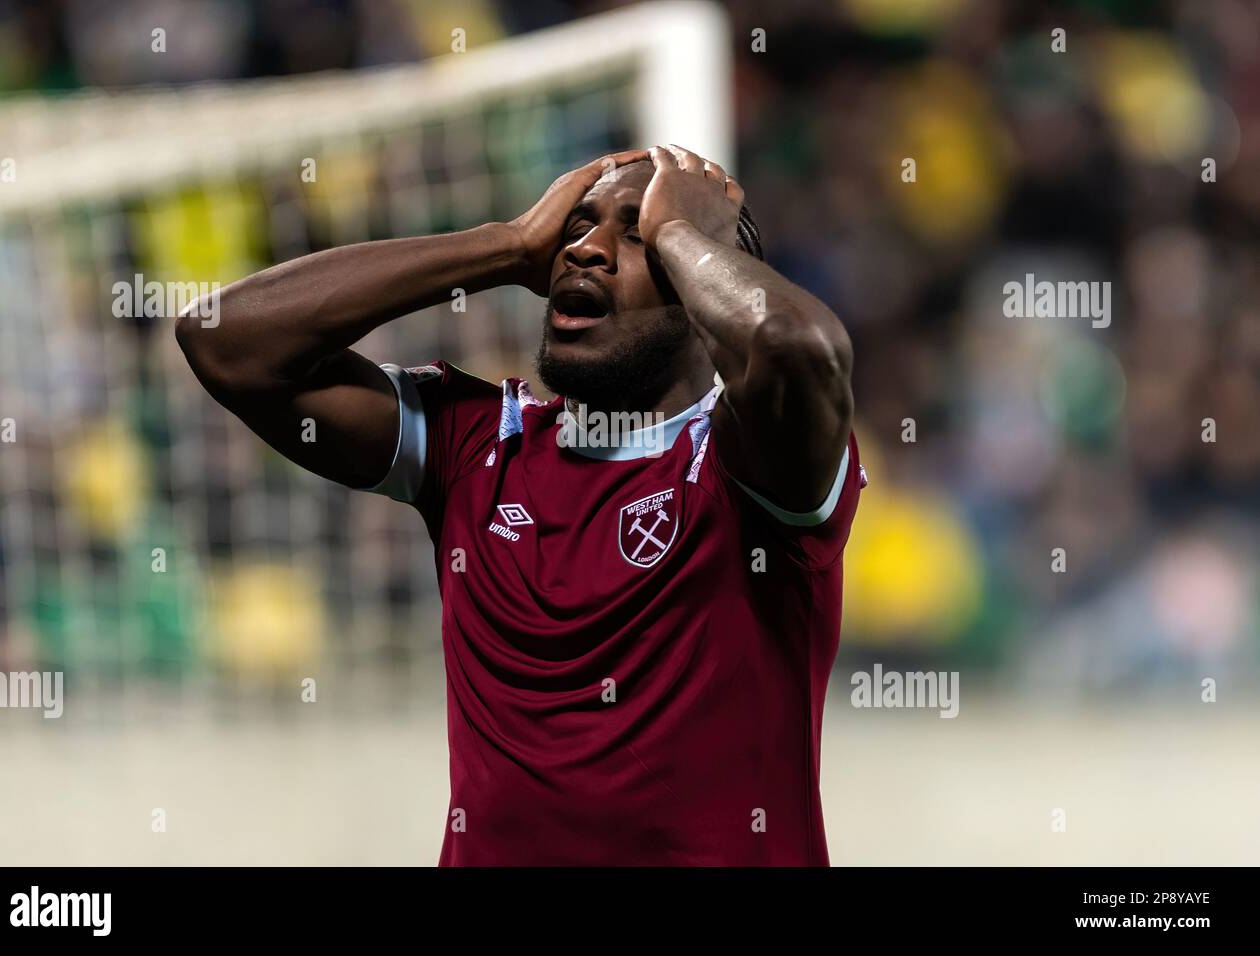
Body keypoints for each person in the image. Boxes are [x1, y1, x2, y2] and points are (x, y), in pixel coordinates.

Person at [176, 144, 862, 865]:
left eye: (636, 233)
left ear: (704, 292)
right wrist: (505, 245)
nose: (588, 250)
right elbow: (223, 340)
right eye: (576, 227)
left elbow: (794, 346)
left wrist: (682, 234)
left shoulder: (749, 466)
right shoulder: (473, 445)